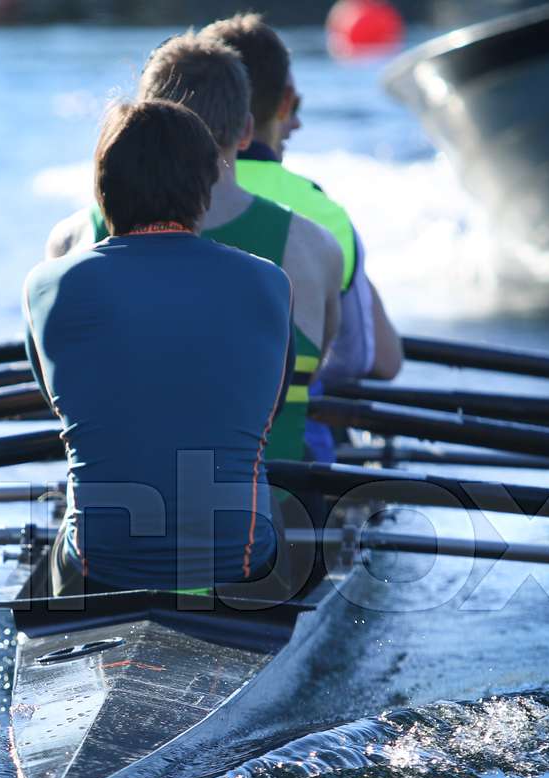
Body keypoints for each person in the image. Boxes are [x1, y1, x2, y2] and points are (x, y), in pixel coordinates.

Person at [23, 100, 294, 595]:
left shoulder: (46, 286)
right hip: (239, 560)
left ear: (103, 187)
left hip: (100, 565)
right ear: (205, 187)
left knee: (76, 482)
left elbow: (62, 407)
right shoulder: (269, 282)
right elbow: (267, 413)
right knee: (263, 484)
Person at [45, 34, 341, 468]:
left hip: (119, 504)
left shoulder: (71, 241)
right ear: (245, 130)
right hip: (277, 500)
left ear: (140, 126)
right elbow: (312, 375)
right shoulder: (315, 247)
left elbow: (57, 396)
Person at [200, 12, 404, 462]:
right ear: (283, 103)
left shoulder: (137, 199)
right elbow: (374, 360)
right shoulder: (321, 215)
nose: (298, 126)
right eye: (297, 109)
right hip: (286, 451)